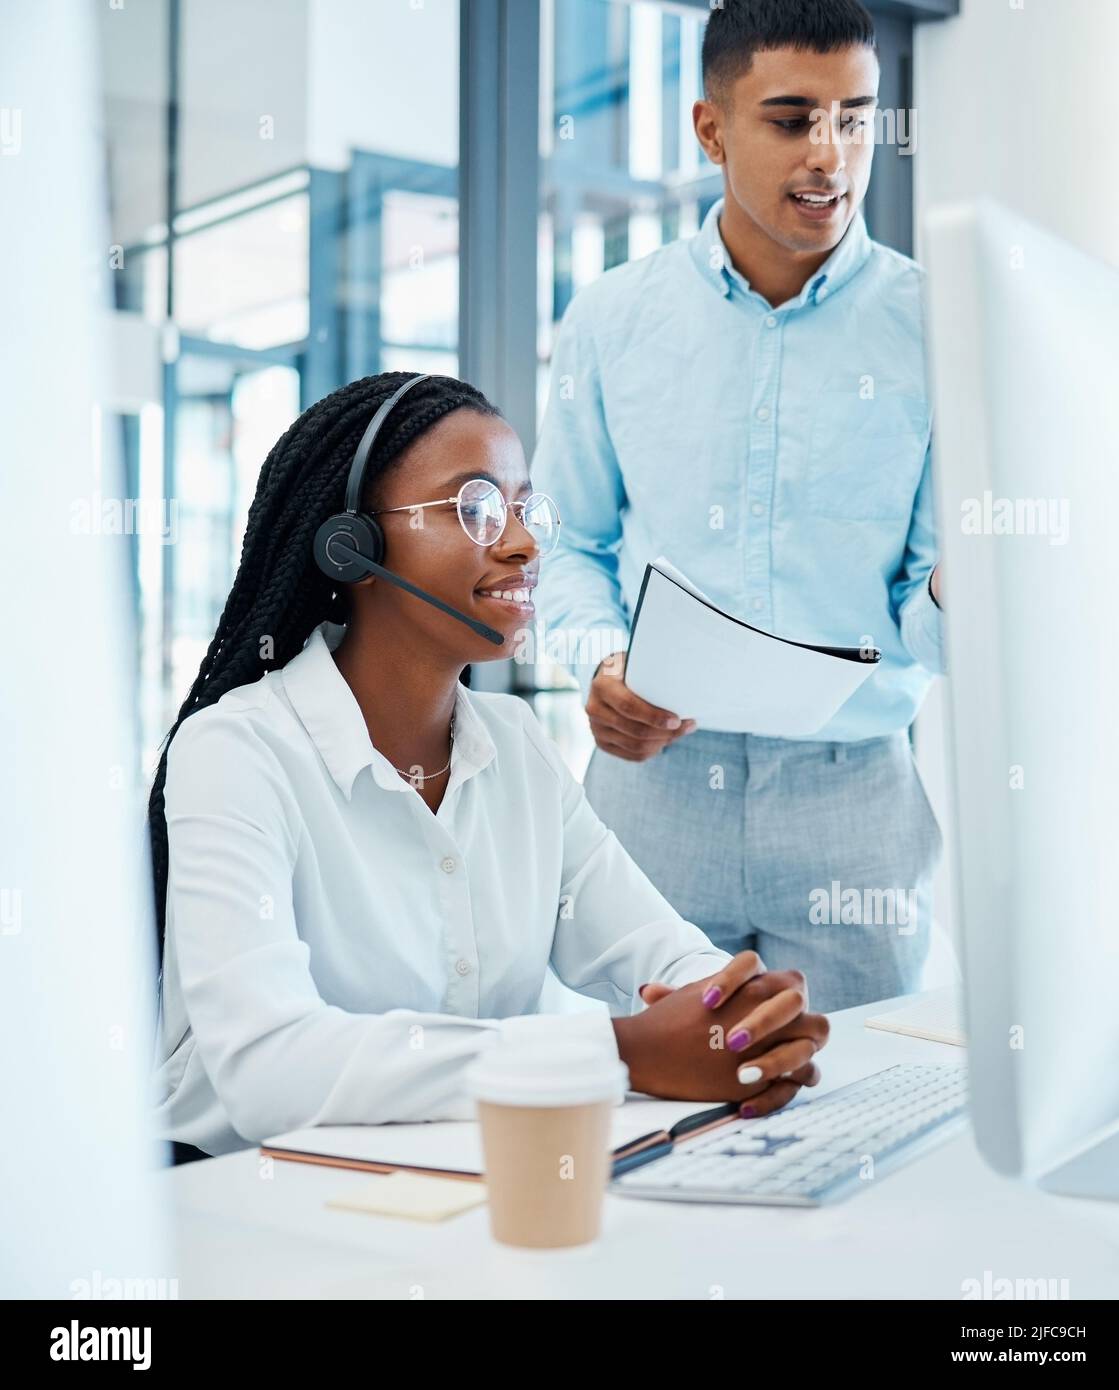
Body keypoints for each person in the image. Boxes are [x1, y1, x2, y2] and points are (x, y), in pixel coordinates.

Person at [149, 372, 829, 1161]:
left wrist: (744, 1015)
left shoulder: (516, 745)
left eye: (526, 508)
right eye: (475, 508)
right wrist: (620, 1052)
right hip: (240, 1196)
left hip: (454, 1173)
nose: (525, 543)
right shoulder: (237, 752)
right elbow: (267, 1068)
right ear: (352, 546)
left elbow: (658, 949)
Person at [530, 0, 944, 1014]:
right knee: (633, 1102)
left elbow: (923, 607)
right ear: (709, 129)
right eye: (792, 118)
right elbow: (566, 546)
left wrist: (966, 590)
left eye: (855, 117)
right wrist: (599, 660)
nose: (830, 156)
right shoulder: (611, 321)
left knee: (861, 1097)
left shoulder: (934, 328)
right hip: (652, 785)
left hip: (854, 795)